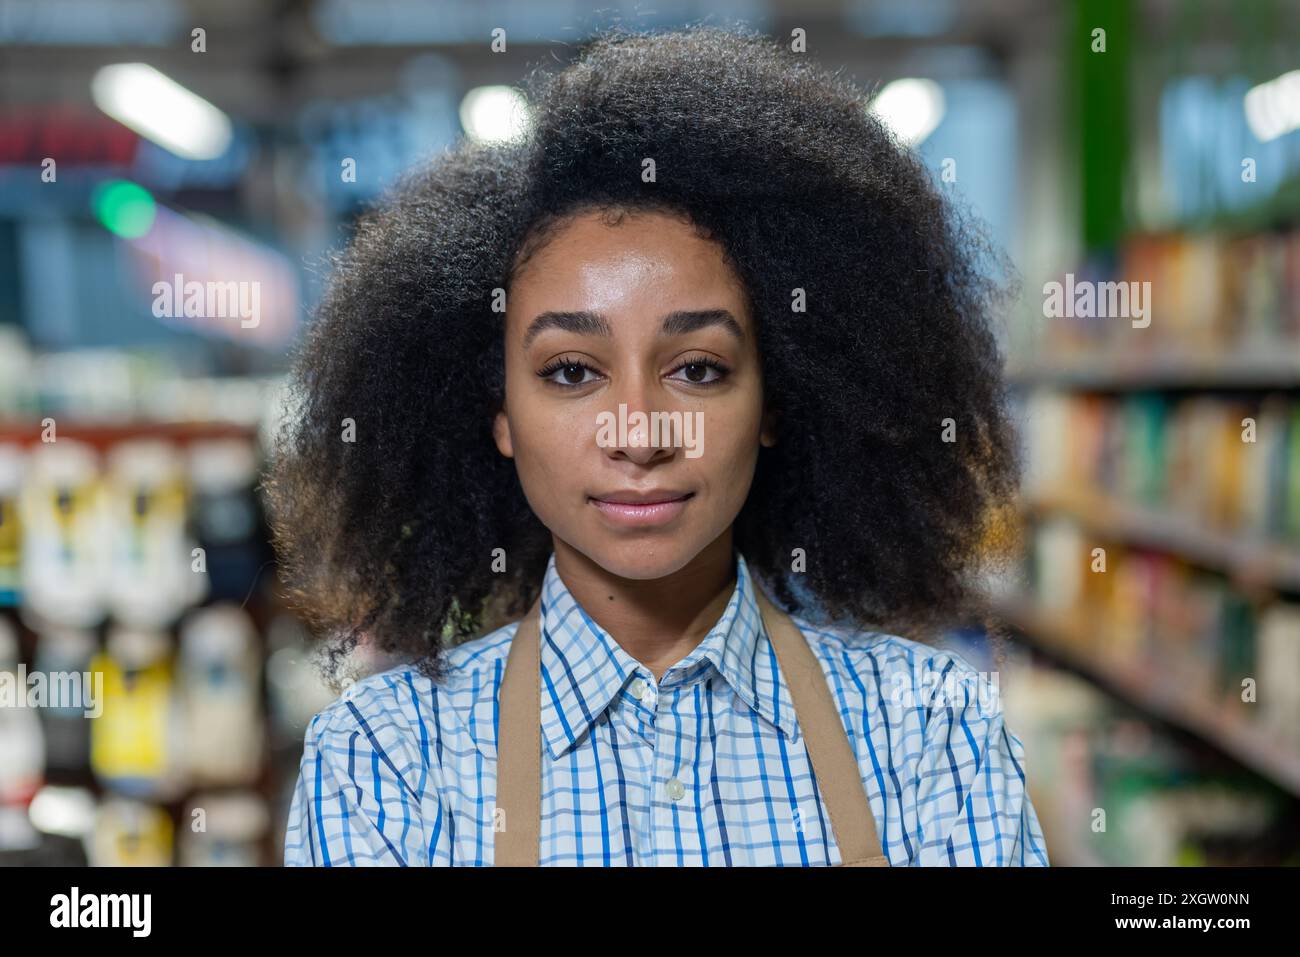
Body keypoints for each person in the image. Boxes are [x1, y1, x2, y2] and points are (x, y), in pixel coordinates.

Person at [271, 25, 1049, 867]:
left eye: (699, 369)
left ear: (774, 402)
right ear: (496, 411)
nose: (638, 432)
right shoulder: (381, 765)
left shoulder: (934, 734)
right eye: (571, 371)